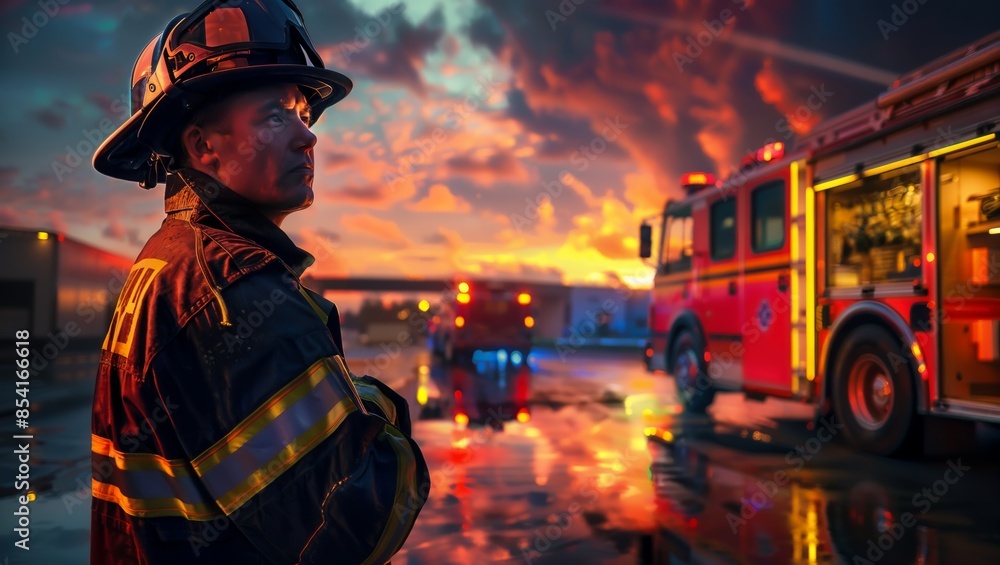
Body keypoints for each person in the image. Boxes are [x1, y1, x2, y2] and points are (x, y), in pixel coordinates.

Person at [89, 1, 429, 563]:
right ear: (203, 147)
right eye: (276, 115)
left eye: (302, 112)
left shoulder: (166, 262)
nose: (307, 137)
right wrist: (375, 406)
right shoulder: (237, 293)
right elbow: (359, 521)